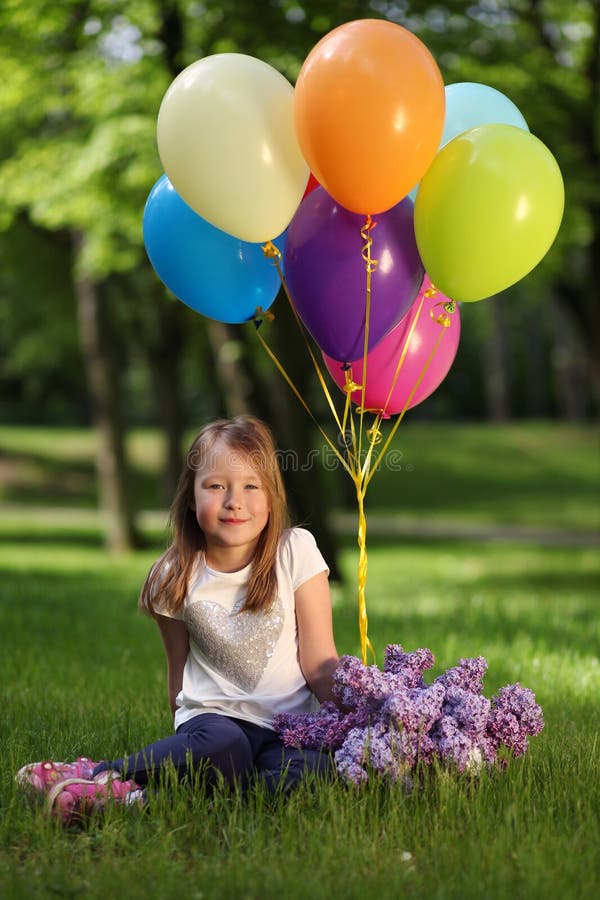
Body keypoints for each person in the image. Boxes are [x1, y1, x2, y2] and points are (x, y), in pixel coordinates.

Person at [17, 416, 339, 822]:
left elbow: (320, 663)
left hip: (290, 730)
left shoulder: (296, 551)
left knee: (313, 773)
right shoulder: (174, 574)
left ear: (272, 497)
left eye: (251, 486)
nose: (233, 501)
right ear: (191, 496)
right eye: (216, 486)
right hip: (214, 726)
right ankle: (99, 776)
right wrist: (186, 749)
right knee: (224, 749)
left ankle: (141, 800)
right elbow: (178, 680)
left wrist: (364, 717)